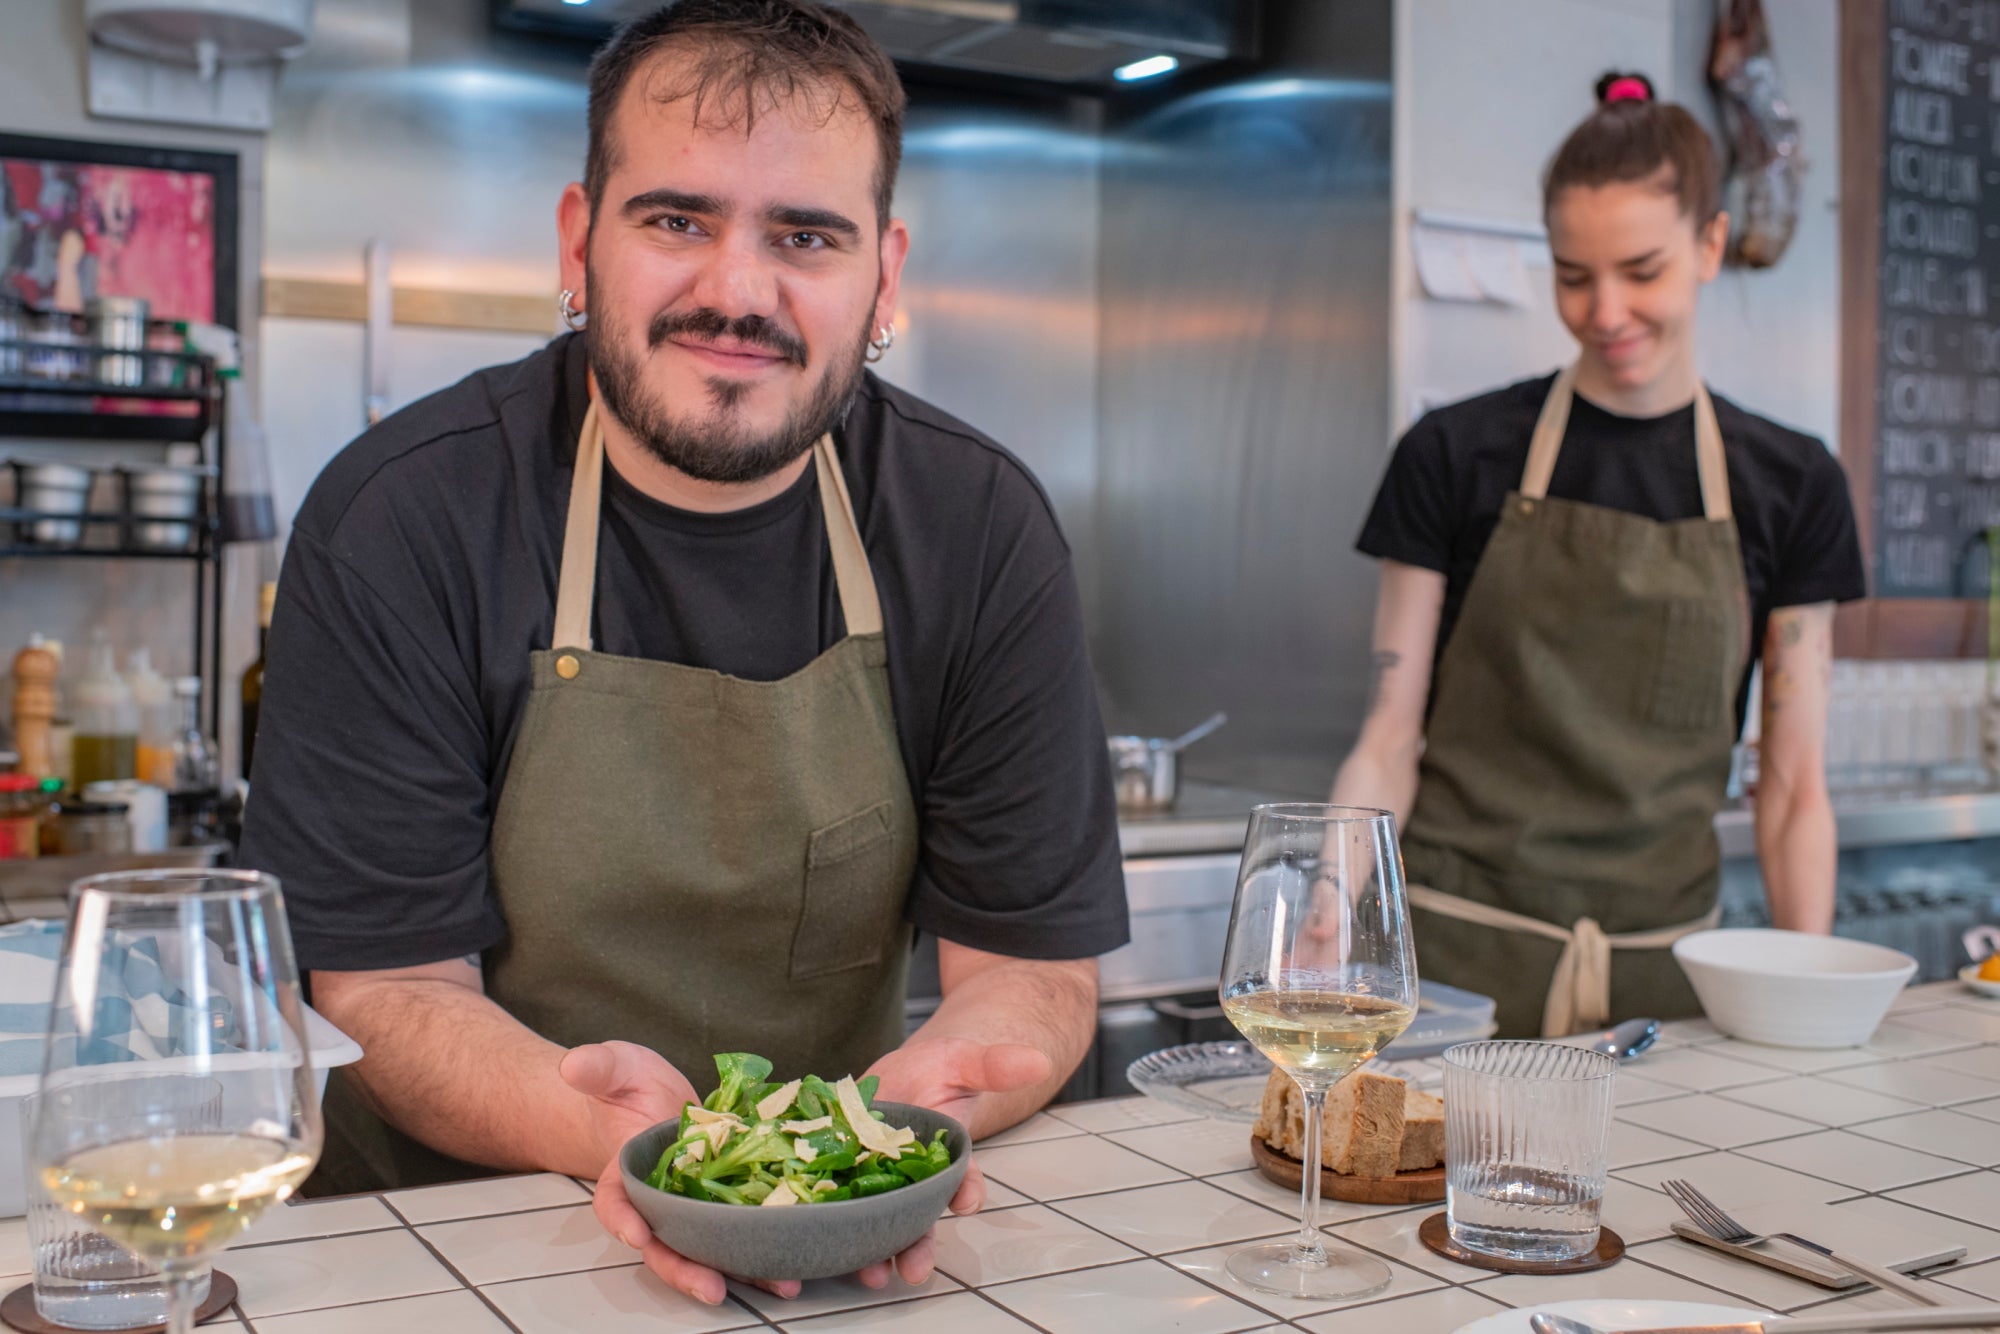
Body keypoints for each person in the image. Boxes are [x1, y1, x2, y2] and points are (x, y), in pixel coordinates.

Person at [236, 0, 1128, 1306]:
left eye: (805, 237)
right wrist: (631, 1139)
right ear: (576, 242)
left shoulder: (976, 526)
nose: (736, 291)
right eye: (676, 220)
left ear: (885, 275)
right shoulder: (404, 518)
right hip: (438, 1246)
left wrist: (875, 1141)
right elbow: (380, 984)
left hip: (842, 1257)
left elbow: (1035, 972)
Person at [1332, 73, 1864, 1040]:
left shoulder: (1794, 483)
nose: (1606, 310)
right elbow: (1387, 734)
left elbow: (1791, 787)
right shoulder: (1455, 455)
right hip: (1454, 978)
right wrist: (1325, 936)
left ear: (1710, 244)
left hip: (1666, 992)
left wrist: (1807, 1012)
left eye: (1641, 270)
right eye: (1574, 277)